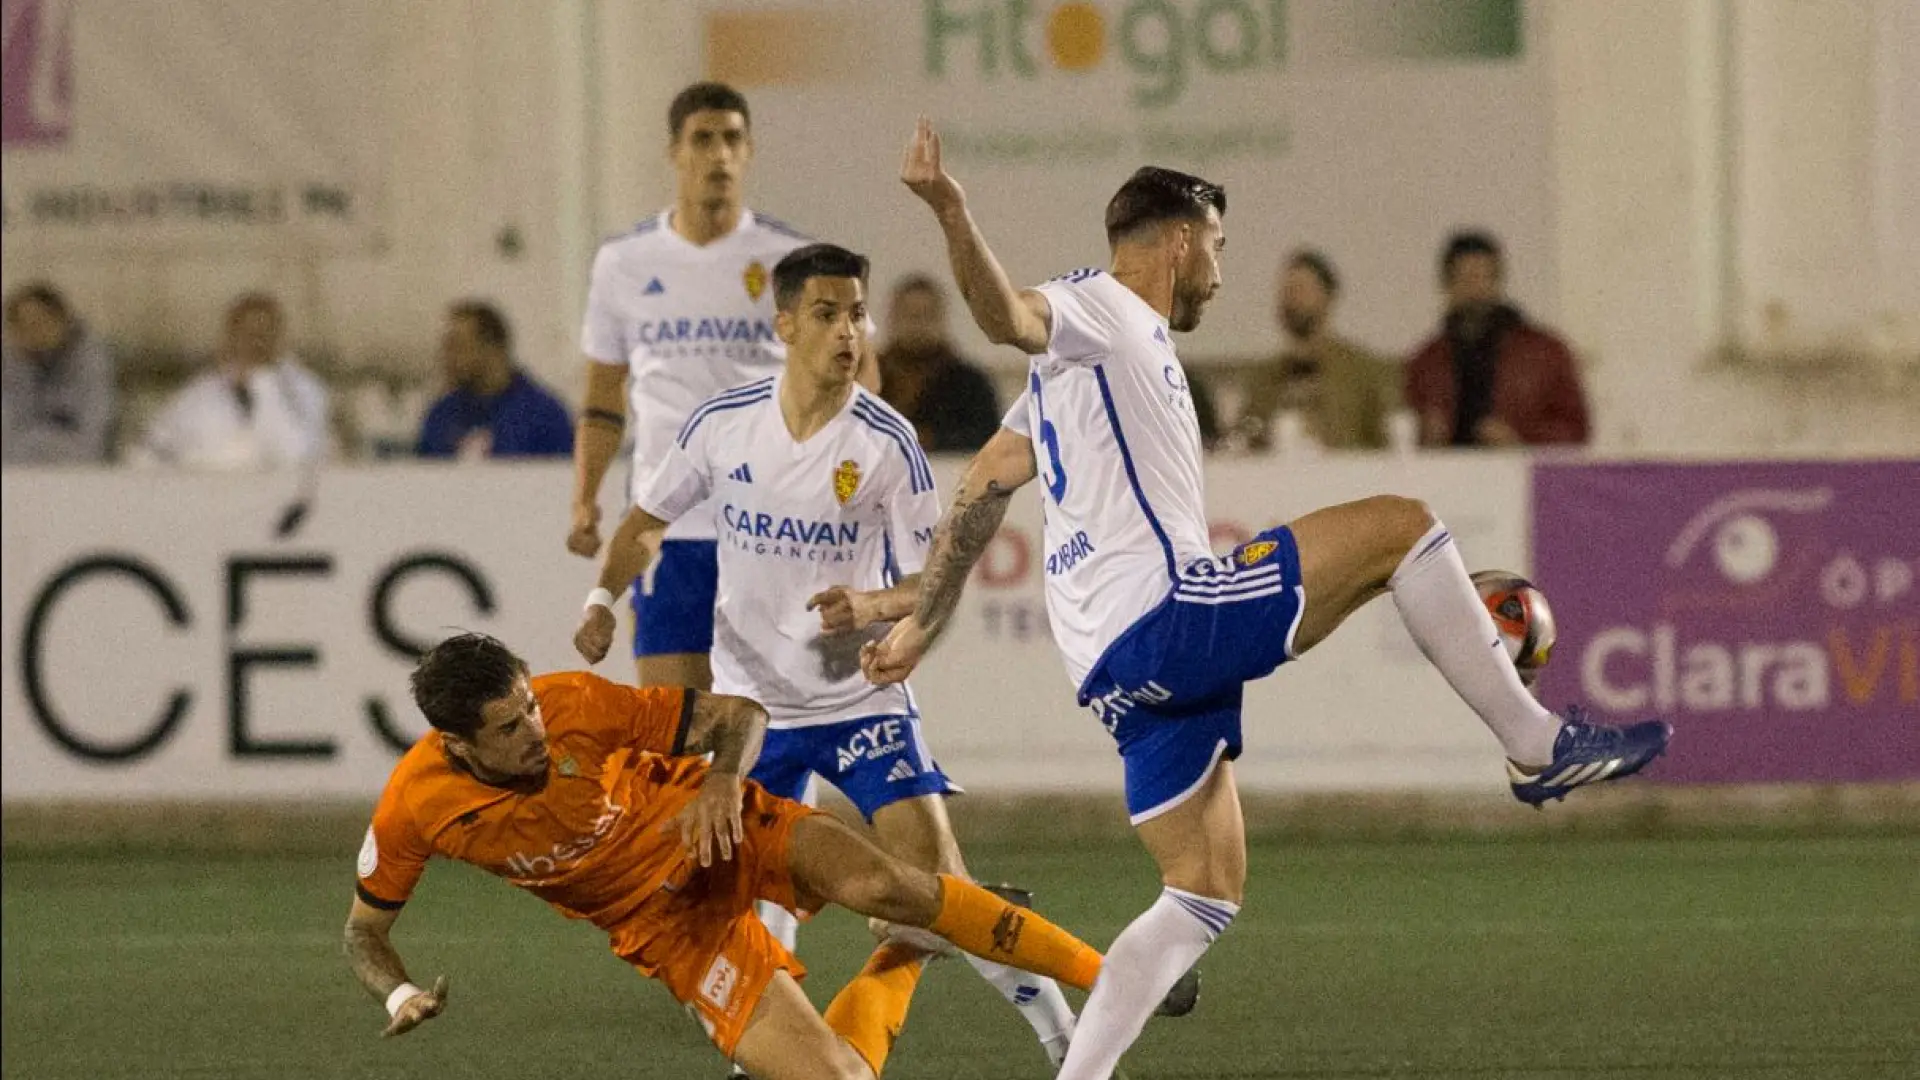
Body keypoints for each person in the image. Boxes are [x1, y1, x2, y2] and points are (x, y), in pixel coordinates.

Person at [867, 119, 1671, 1080]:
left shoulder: (1071, 378)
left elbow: (985, 485)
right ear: (1178, 237)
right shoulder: (1104, 309)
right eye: (1217, 246)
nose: (1218, 269)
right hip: (1165, 618)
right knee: (1401, 525)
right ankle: (1534, 744)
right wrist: (953, 211)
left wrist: (929, 615)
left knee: (1202, 892)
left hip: (1114, 672)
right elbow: (1006, 316)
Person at [575, 245, 1115, 1071]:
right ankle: (772, 1052)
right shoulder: (723, 426)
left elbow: (935, 580)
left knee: (938, 891)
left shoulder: (888, 443)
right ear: (785, 324)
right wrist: (600, 604)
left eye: (857, 313)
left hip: (859, 703)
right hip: (749, 717)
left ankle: (1073, 1043)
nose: (849, 331)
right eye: (828, 313)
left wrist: (872, 606)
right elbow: (646, 522)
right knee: (737, 904)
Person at [343, 633, 1113, 1080]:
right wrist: (395, 994)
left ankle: (1118, 980)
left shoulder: (576, 702)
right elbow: (362, 934)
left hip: (720, 825)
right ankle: (908, 954)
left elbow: (740, 717)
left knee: (887, 883)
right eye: (508, 728)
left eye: (531, 708)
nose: (536, 731)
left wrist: (718, 785)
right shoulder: (416, 804)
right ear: (457, 744)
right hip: (667, 925)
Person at [569, 81, 838, 694]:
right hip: (668, 524)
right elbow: (603, 397)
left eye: (732, 139)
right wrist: (585, 499)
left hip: (772, 520)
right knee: (674, 725)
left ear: (749, 152)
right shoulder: (624, 262)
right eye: (703, 139)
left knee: (777, 720)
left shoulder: (791, 258)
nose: (719, 154)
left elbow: (856, 375)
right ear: (675, 152)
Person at [1405, 231, 1591, 447]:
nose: (1475, 288)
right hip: (1447, 477)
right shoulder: (1426, 362)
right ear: (1448, 285)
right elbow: (1404, 427)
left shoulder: (1546, 353)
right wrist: (1426, 435)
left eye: (1484, 277)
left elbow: (1575, 428)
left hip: (1519, 477)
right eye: (1465, 278)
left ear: (1498, 281)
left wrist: (1519, 438)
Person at [135, 292, 330, 469]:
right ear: (231, 336)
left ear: (278, 336)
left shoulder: (305, 390)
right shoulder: (199, 394)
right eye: (247, 334)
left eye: (264, 334)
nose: (256, 343)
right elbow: (152, 449)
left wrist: (262, 387)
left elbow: (300, 453)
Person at [1236, 249, 1402, 452]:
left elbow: (1385, 442)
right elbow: (1244, 440)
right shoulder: (1264, 379)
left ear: (1328, 296)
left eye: (1301, 289)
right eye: (1286, 291)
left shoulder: (1362, 372)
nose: (1292, 300)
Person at [416, 300, 573, 460]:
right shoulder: (441, 416)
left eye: (457, 346)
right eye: (445, 347)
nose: (447, 357)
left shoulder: (545, 417)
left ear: (493, 348)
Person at [876, 275, 1001, 452]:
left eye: (926, 315)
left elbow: (987, 437)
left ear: (941, 318)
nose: (917, 324)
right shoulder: (866, 380)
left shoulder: (969, 384)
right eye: (909, 315)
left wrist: (933, 440)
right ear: (892, 318)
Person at [2, 282, 116, 464]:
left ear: (61, 320)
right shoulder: (13, 363)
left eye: (38, 323)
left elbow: (95, 433)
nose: (32, 333)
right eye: (22, 326)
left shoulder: (90, 362)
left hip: (76, 468)